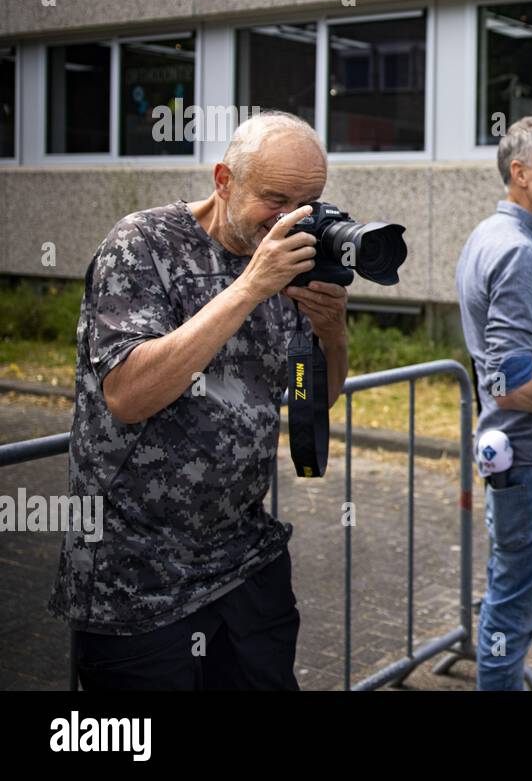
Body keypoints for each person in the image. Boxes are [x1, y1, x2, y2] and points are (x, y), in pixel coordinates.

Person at [48, 110, 349, 690]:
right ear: (224, 180)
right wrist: (249, 287)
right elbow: (128, 395)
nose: (291, 219)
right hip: (134, 578)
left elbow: (312, 397)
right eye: (275, 199)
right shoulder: (143, 244)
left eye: (308, 201)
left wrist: (332, 332)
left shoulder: (291, 257)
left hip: (243, 560)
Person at [455, 114, 532, 690]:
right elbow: (511, 383)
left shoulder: (491, 235)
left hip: (513, 459)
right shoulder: (518, 253)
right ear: (519, 172)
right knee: (514, 609)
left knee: (507, 595)